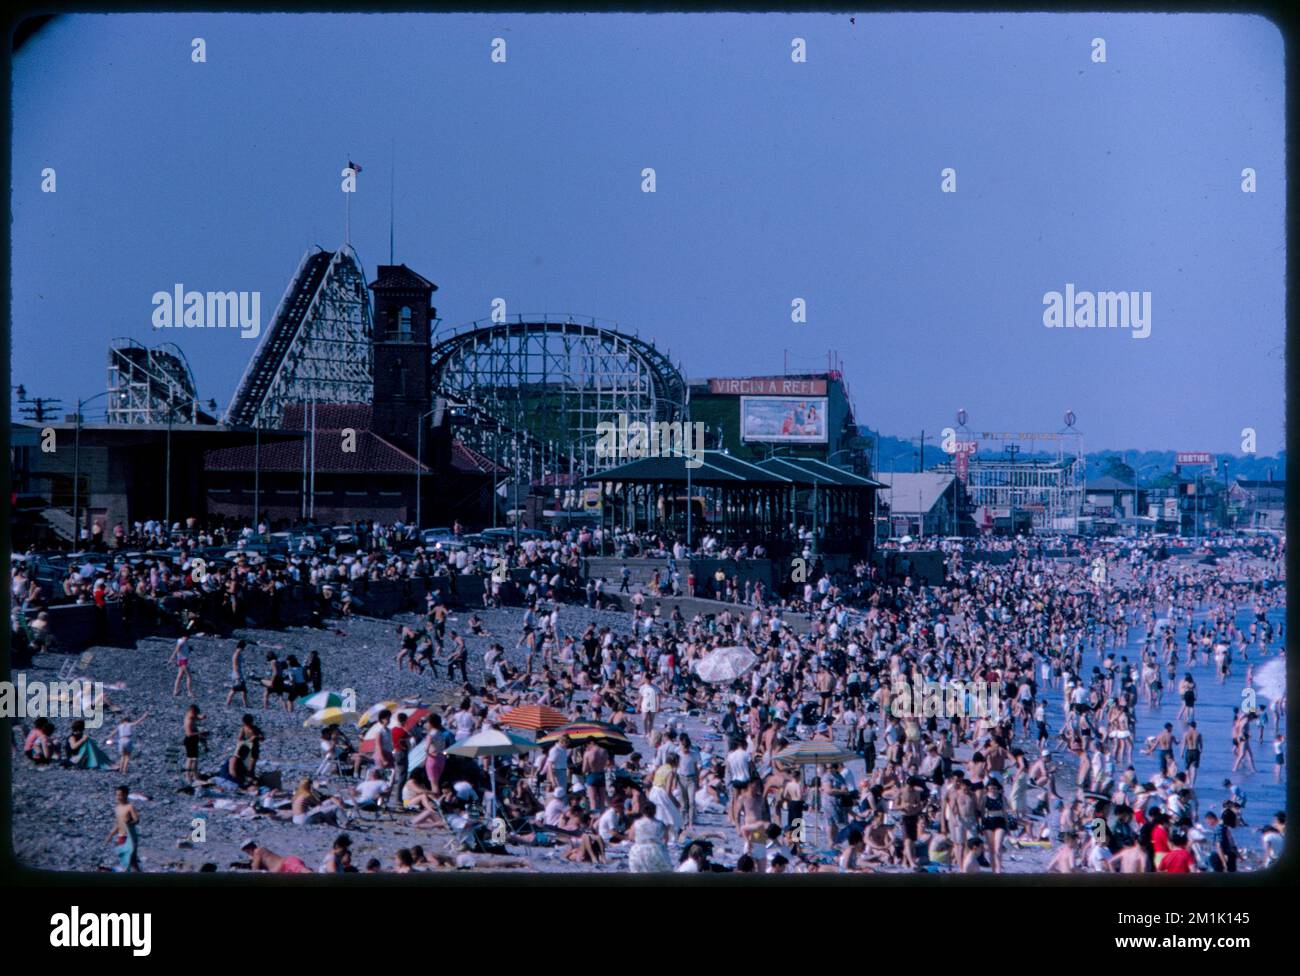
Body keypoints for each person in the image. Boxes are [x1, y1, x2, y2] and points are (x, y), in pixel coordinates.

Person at [627, 800, 673, 873]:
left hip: (639, 851)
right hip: (656, 850)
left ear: (642, 811)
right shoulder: (660, 824)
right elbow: (666, 839)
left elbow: (630, 837)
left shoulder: (636, 823)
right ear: (655, 811)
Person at [108, 785, 141, 872]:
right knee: (129, 859)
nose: (118, 797)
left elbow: (137, 820)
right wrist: (111, 835)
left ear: (126, 795)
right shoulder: (117, 808)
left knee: (129, 858)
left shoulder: (130, 807)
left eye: (120, 795)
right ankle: (139, 875)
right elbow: (118, 824)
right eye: (117, 795)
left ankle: (129, 874)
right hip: (121, 836)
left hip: (129, 836)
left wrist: (129, 822)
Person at [241, 839, 311, 873]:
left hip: (287, 863)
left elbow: (255, 868)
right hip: (285, 866)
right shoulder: (261, 852)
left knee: (308, 874)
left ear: (248, 849)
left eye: (247, 852)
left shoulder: (258, 851)